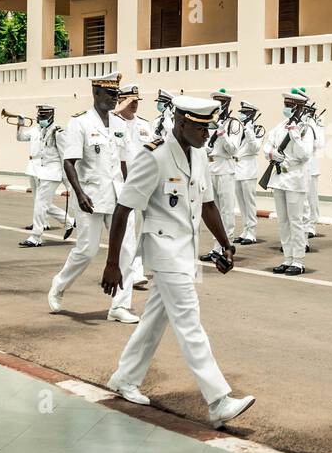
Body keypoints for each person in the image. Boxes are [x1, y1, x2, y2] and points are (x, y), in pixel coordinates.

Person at [102, 95, 254, 428]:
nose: (206, 135)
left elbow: (208, 205)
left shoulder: (199, 156)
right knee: (189, 321)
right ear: (181, 124)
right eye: (200, 129)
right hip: (163, 250)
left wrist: (226, 243)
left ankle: (124, 378)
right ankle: (218, 401)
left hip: (186, 251)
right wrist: (113, 262)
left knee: (155, 318)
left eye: (209, 128)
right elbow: (123, 208)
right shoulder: (153, 157)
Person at [47, 74, 140, 323]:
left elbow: (124, 162)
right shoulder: (80, 123)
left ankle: (120, 306)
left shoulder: (120, 125)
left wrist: (130, 191)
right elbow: (69, 162)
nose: (115, 99)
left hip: (118, 196)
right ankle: (59, 284)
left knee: (127, 249)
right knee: (86, 251)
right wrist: (78, 194)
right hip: (91, 196)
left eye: (116, 94)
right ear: (96, 93)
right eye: (110, 94)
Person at [263, 91, 315, 275]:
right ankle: (287, 258)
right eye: (285, 104)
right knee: (283, 221)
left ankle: (298, 261)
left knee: (296, 221)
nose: (286, 108)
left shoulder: (306, 129)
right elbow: (267, 145)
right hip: (279, 178)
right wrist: (271, 154)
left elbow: (305, 154)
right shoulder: (280, 126)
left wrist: (296, 137)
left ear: (298, 108)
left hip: (295, 179)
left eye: (289, 105)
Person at [14, 104, 76, 248]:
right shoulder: (36, 129)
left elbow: (64, 156)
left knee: (40, 204)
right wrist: (20, 124)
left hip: (52, 172)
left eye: (44, 116)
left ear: (51, 116)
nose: (41, 119)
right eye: (39, 116)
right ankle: (69, 222)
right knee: (41, 204)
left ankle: (36, 237)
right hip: (36, 171)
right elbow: (21, 137)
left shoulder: (58, 132)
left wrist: (66, 179)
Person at [114, 85, 153, 291]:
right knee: (128, 230)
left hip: (145, 183)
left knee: (141, 230)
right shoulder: (113, 124)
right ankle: (128, 269)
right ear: (121, 101)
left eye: (137, 100)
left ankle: (136, 270)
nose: (135, 103)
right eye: (130, 100)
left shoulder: (145, 125)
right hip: (123, 184)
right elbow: (119, 159)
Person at [203, 89, 240, 263]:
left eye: (221, 101)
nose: (218, 105)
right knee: (213, 210)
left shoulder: (233, 124)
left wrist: (223, 135)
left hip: (225, 167)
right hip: (210, 167)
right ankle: (215, 248)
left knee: (226, 211)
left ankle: (227, 247)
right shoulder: (209, 122)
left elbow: (233, 149)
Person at [233, 101, 263, 245]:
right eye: (241, 112)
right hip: (236, 168)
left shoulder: (257, 130)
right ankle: (245, 230)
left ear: (251, 114)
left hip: (248, 168)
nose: (241, 115)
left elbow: (255, 148)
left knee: (249, 202)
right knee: (241, 203)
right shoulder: (238, 129)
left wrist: (249, 131)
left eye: (244, 113)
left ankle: (252, 232)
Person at [303, 97, 325, 240]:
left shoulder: (316, 124)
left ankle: (311, 226)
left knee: (311, 198)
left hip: (311, 166)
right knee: (302, 199)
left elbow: (320, 144)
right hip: (299, 168)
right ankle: (303, 225)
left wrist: (313, 126)